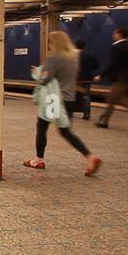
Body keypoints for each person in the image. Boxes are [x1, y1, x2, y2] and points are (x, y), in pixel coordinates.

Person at [23, 31, 103, 176]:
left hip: (52, 100)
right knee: (66, 131)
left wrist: (36, 72)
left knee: (41, 128)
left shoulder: (54, 58)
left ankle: (38, 159)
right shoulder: (73, 58)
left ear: (54, 43)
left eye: (50, 43)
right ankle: (90, 157)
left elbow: (44, 79)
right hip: (68, 99)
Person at [75, 38, 98, 120]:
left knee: (72, 95)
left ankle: (71, 111)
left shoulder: (73, 55)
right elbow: (96, 66)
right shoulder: (90, 54)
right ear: (84, 46)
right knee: (86, 97)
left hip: (75, 79)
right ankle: (86, 114)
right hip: (87, 79)